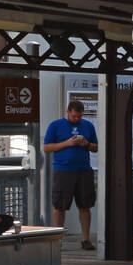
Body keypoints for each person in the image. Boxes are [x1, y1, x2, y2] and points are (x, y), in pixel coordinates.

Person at [42, 100, 99, 250]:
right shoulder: (55, 125)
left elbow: (96, 147)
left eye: (79, 117)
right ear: (67, 112)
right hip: (63, 170)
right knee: (59, 206)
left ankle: (85, 239)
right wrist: (67, 143)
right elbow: (46, 147)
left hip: (84, 170)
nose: (77, 119)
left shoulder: (88, 125)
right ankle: (57, 240)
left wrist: (86, 144)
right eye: (74, 116)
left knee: (85, 205)